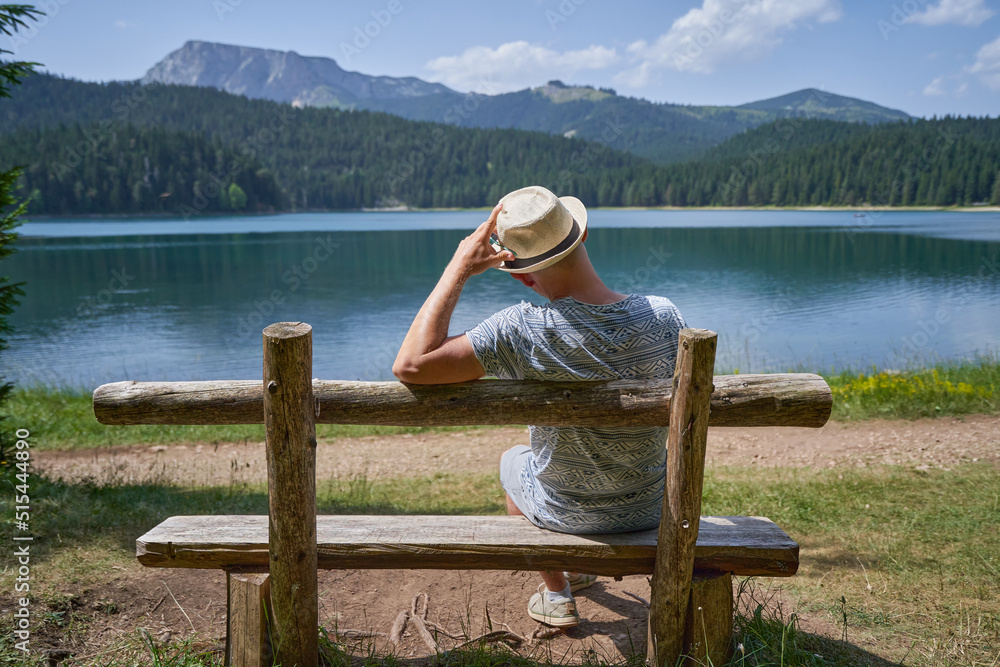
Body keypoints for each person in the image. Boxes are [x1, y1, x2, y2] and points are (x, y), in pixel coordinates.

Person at [393, 185, 686, 628]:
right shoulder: (665, 317)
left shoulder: (519, 331)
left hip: (562, 514)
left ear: (521, 275)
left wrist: (459, 266)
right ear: (582, 236)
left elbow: (412, 365)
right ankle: (579, 572)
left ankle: (557, 594)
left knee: (513, 460)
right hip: (650, 508)